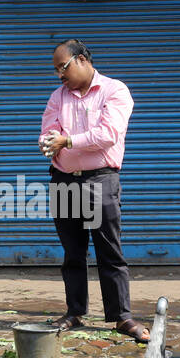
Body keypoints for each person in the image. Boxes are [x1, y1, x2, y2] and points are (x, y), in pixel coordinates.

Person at [39, 38, 149, 342]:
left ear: (83, 59)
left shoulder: (115, 91)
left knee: (109, 251)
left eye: (63, 66)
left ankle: (121, 317)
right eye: (56, 70)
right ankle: (74, 313)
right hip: (63, 179)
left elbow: (108, 135)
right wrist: (49, 143)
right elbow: (49, 132)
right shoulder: (57, 97)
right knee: (72, 252)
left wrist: (67, 141)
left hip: (100, 179)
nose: (60, 74)